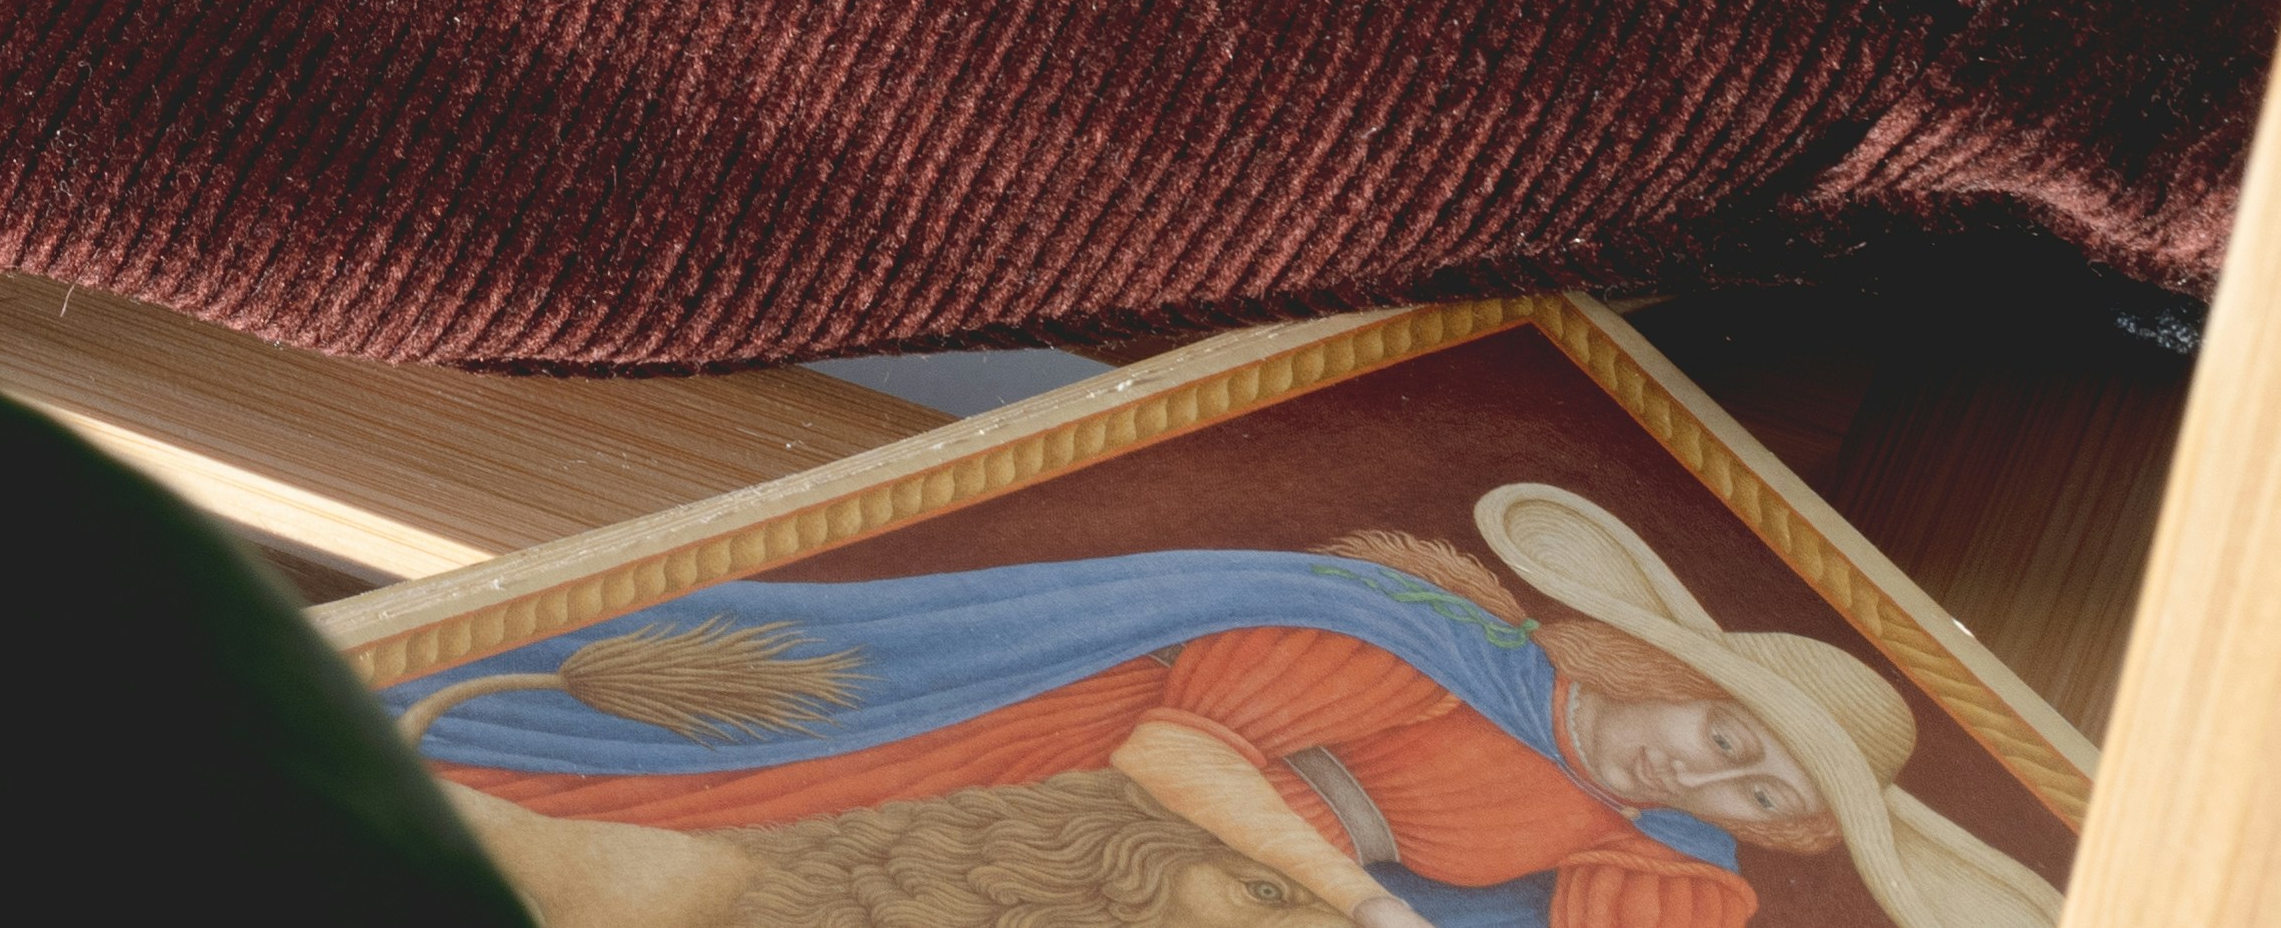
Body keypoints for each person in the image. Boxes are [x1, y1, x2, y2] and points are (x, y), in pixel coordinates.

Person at [398, 484, 2059, 928]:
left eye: (1766, 787)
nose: (1720, 774)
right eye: (1727, 728)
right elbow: (1171, 733)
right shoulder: (1410, 647)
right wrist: (1348, 899)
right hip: (1087, 816)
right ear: (1672, 677)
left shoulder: (1641, 844)